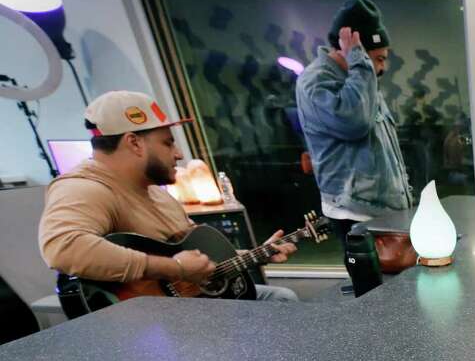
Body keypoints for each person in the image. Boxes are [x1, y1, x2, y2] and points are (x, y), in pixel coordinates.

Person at [38, 90, 297, 301]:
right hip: (145, 326)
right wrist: (176, 268)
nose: (179, 154)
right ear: (134, 143)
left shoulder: (155, 191)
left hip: (189, 306)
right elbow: (63, 248)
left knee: (280, 298)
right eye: (168, 142)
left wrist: (255, 254)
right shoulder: (84, 187)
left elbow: (194, 256)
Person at [296, 0, 414, 250]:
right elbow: (354, 123)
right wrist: (360, 63)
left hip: (382, 210)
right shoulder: (315, 82)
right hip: (355, 213)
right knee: (373, 278)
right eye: (378, 59)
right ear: (353, 51)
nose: (382, 68)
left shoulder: (361, 80)